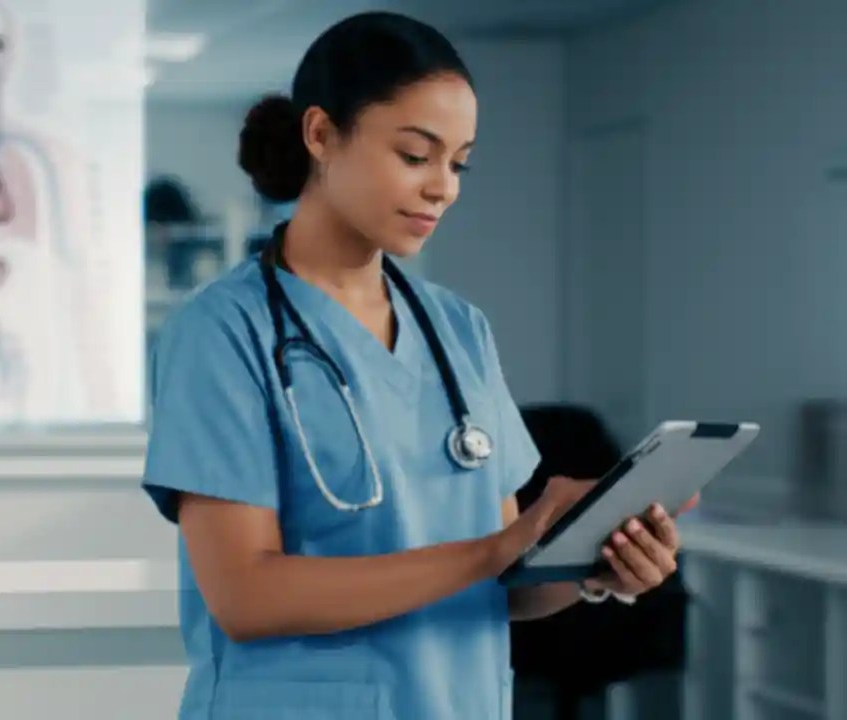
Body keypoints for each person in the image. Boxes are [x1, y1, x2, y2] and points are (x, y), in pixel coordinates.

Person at [140, 11, 695, 720]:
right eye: (414, 155)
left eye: (458, 162)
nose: (444, 187)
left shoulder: (457, 329)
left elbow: (508, 586)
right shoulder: (222, 332)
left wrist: (592, 566)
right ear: (320, 135)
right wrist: (497, 548)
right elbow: (246, 597)